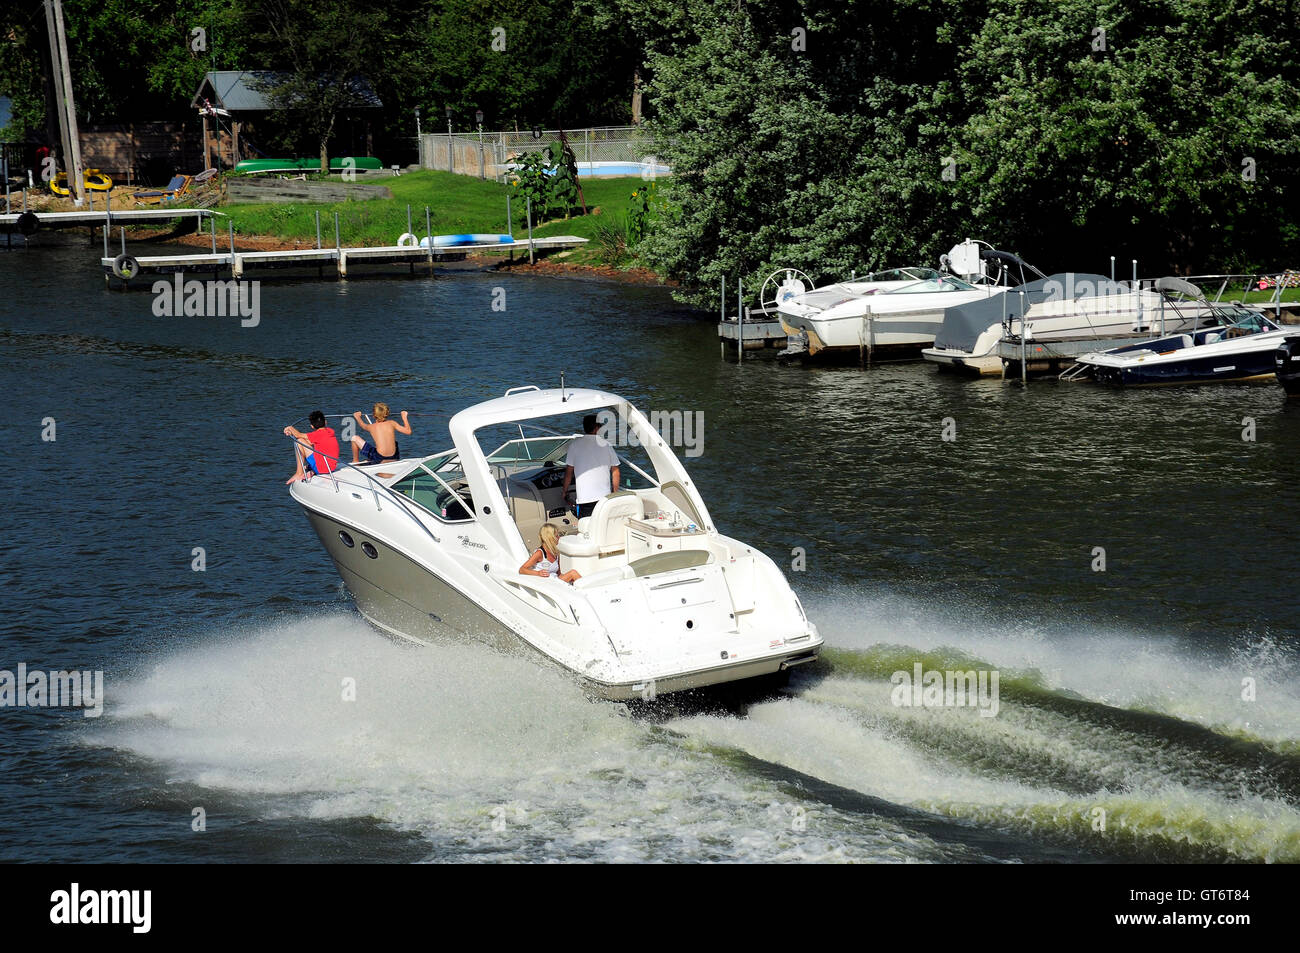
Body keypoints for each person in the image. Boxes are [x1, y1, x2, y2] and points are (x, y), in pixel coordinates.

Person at [561, 414, 620, 518]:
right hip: (604, 499)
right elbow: (615, 471)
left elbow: (569, 473)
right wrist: (614, 493)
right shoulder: (606, 444)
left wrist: (564, 492)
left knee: (587, 529)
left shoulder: (574, 445)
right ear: (596, 428)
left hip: (585, 499)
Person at [283, 411, 339, 484]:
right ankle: (311, 469)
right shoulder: (330, 431)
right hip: (331, 467)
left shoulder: (317, 434)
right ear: (325, 422)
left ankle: (299, 473)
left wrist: (290, 428)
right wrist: (292, 433)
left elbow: (298, 435)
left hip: (323, 469)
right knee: (303, 441)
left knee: (299, 442)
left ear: (312, 426)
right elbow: (309, 442)